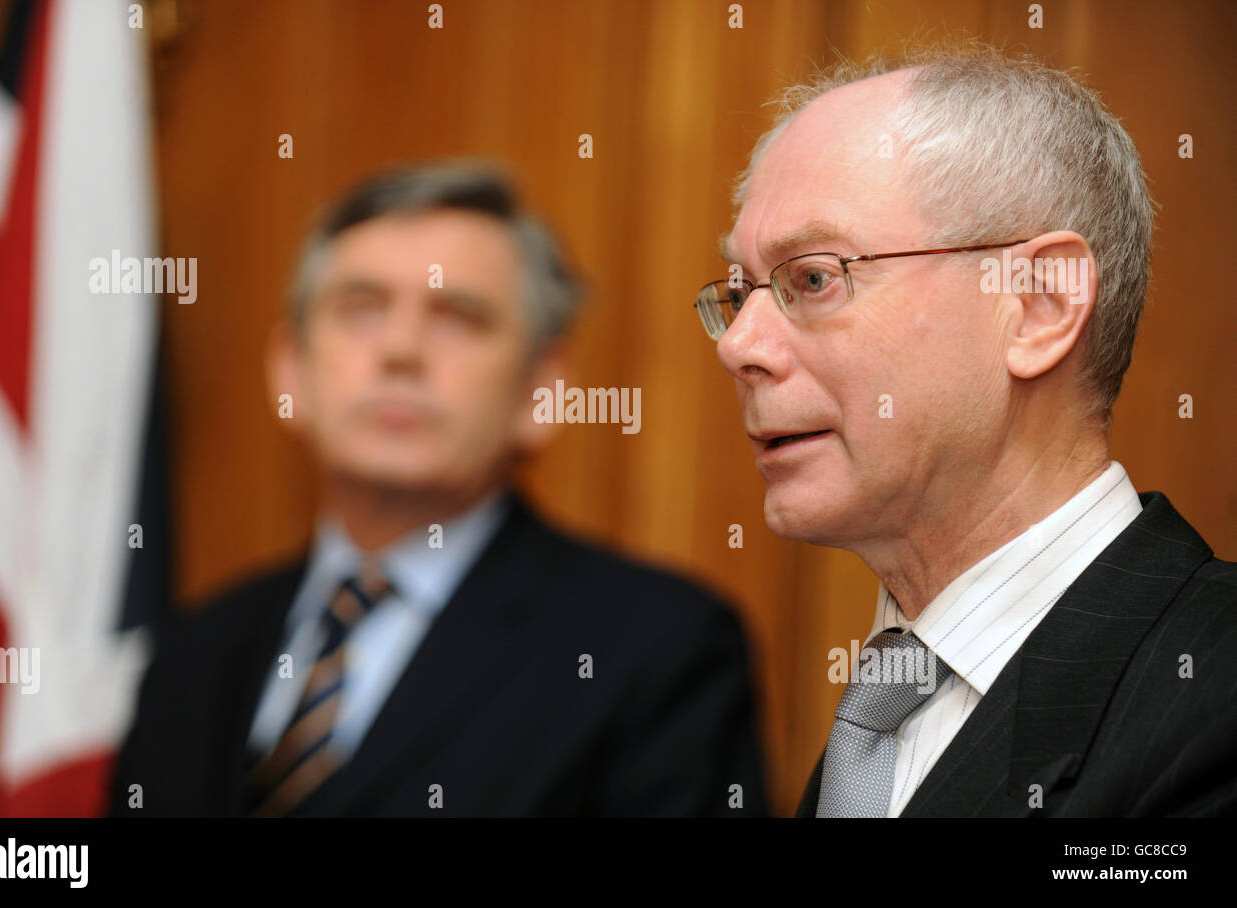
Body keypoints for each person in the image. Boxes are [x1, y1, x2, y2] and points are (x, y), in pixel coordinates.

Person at [112, 161, 766, 817]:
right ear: (291, 374)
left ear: (542, 389)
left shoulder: (656, 652)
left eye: (458, 316)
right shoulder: (193, 650)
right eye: (361, 310)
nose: (401, 349)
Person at [695, 47, 1236, 817]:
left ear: (1038, 305)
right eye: (742, 291)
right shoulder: (887, 704)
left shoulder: (1212, 694)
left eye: (812, 279)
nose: (738, 346)